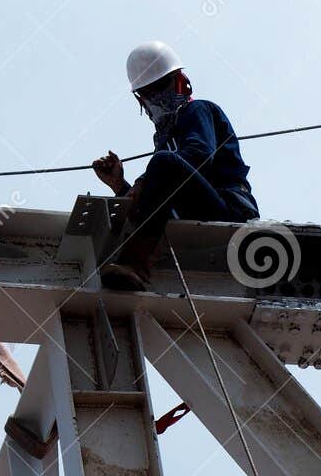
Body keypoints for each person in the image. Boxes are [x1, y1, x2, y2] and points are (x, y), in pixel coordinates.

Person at [90, 41, 259, 291]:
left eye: (160, 86)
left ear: (181, 82)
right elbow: (154, 206)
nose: (156, 98)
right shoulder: (165, 142)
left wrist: (144, 180)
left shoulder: (198, 110)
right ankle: (134, 265)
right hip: (195, 213)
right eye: (148, 92)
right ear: (141, 100)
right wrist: (120, 184)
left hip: (231, 212)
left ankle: (135, 263)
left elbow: (200, 154)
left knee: (164, 162)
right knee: (163, 164)